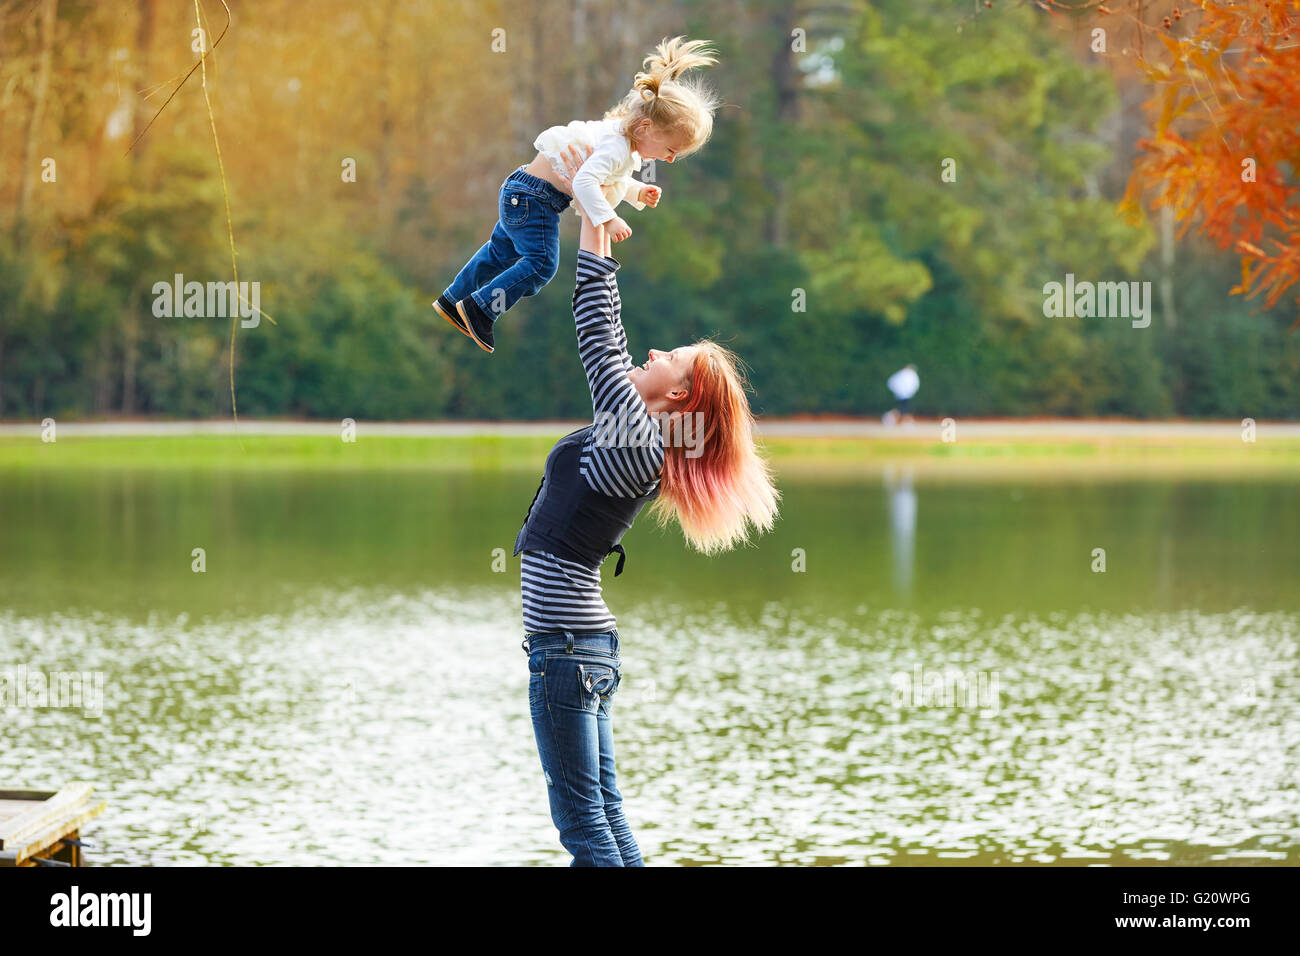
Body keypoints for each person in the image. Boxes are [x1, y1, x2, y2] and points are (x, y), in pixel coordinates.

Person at [514, 147, 780, 866]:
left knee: (585, 826)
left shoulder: (637, 433)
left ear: (678, 395)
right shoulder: (647, 438)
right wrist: (596, 209)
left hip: (567, 650)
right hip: (583, 649)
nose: (656, 351)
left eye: (673, 358)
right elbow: (604, 330)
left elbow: (599, 331)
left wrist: (595, 215)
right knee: (605, 814)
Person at [433, 36, 720, 354]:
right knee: (541, 264)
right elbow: (585, 183)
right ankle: (479, 309)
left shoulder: (618, 138)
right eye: (670, 150)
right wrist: (609, 219)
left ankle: (453, 300)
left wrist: (638, 191)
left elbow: (605, 177)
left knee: (500, 253)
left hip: (520, 191)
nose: (669, 159)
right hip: (534, 200)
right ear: (645, 128)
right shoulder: (616, 147)